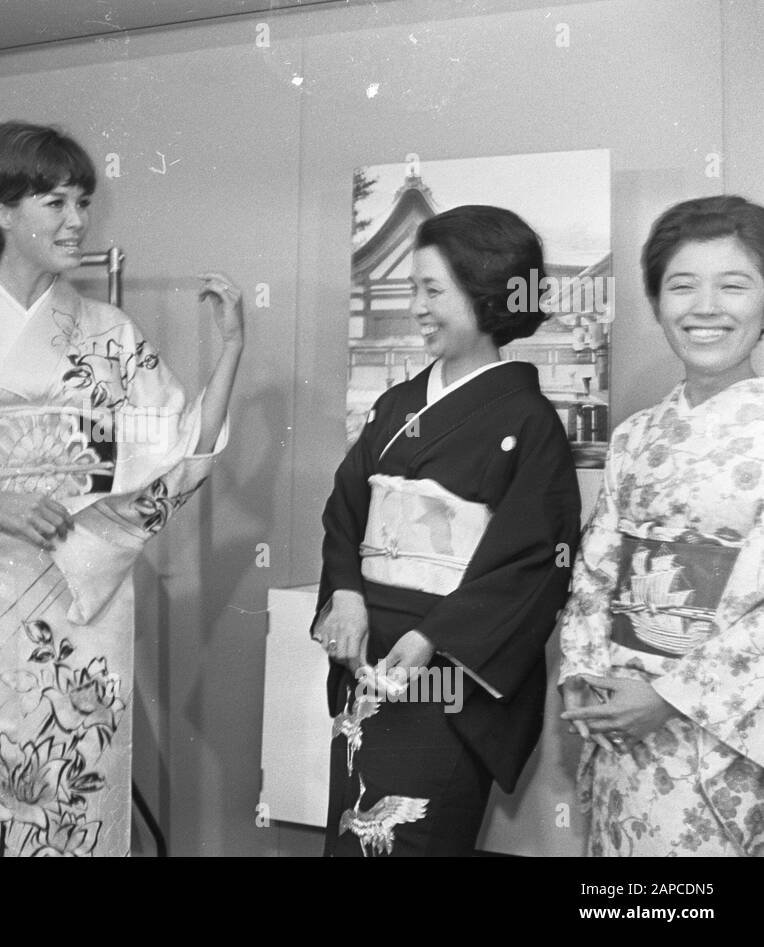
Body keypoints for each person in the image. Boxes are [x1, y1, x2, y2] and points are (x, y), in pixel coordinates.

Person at [0, 121, 242, 856]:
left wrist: (231, 350)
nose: (78, 221)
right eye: (56, 203)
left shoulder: (106, 331)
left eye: (83, 202)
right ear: (2, 212)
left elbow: (179, 454)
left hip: (83, 588)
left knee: (80, 766)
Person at [314, 204, 580, 856]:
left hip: (445, 685)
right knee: (352, 836)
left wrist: (436, 634)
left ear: (488, 294)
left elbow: (534, 561)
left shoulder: (529, 420)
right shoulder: (396, 405)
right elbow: (346, 508)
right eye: (413, 288)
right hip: (369, 668)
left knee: (412, 839)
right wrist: (345, 590)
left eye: (433, 289)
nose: (417, 306)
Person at [559, 195, 764, 857]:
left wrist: (671, 696)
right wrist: (582, 674)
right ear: (656, 303)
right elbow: (595, 571)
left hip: (724, 731)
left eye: (734, 284)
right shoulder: (635, 436)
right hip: (622, 718)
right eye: (682, 285)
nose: (705, 307)